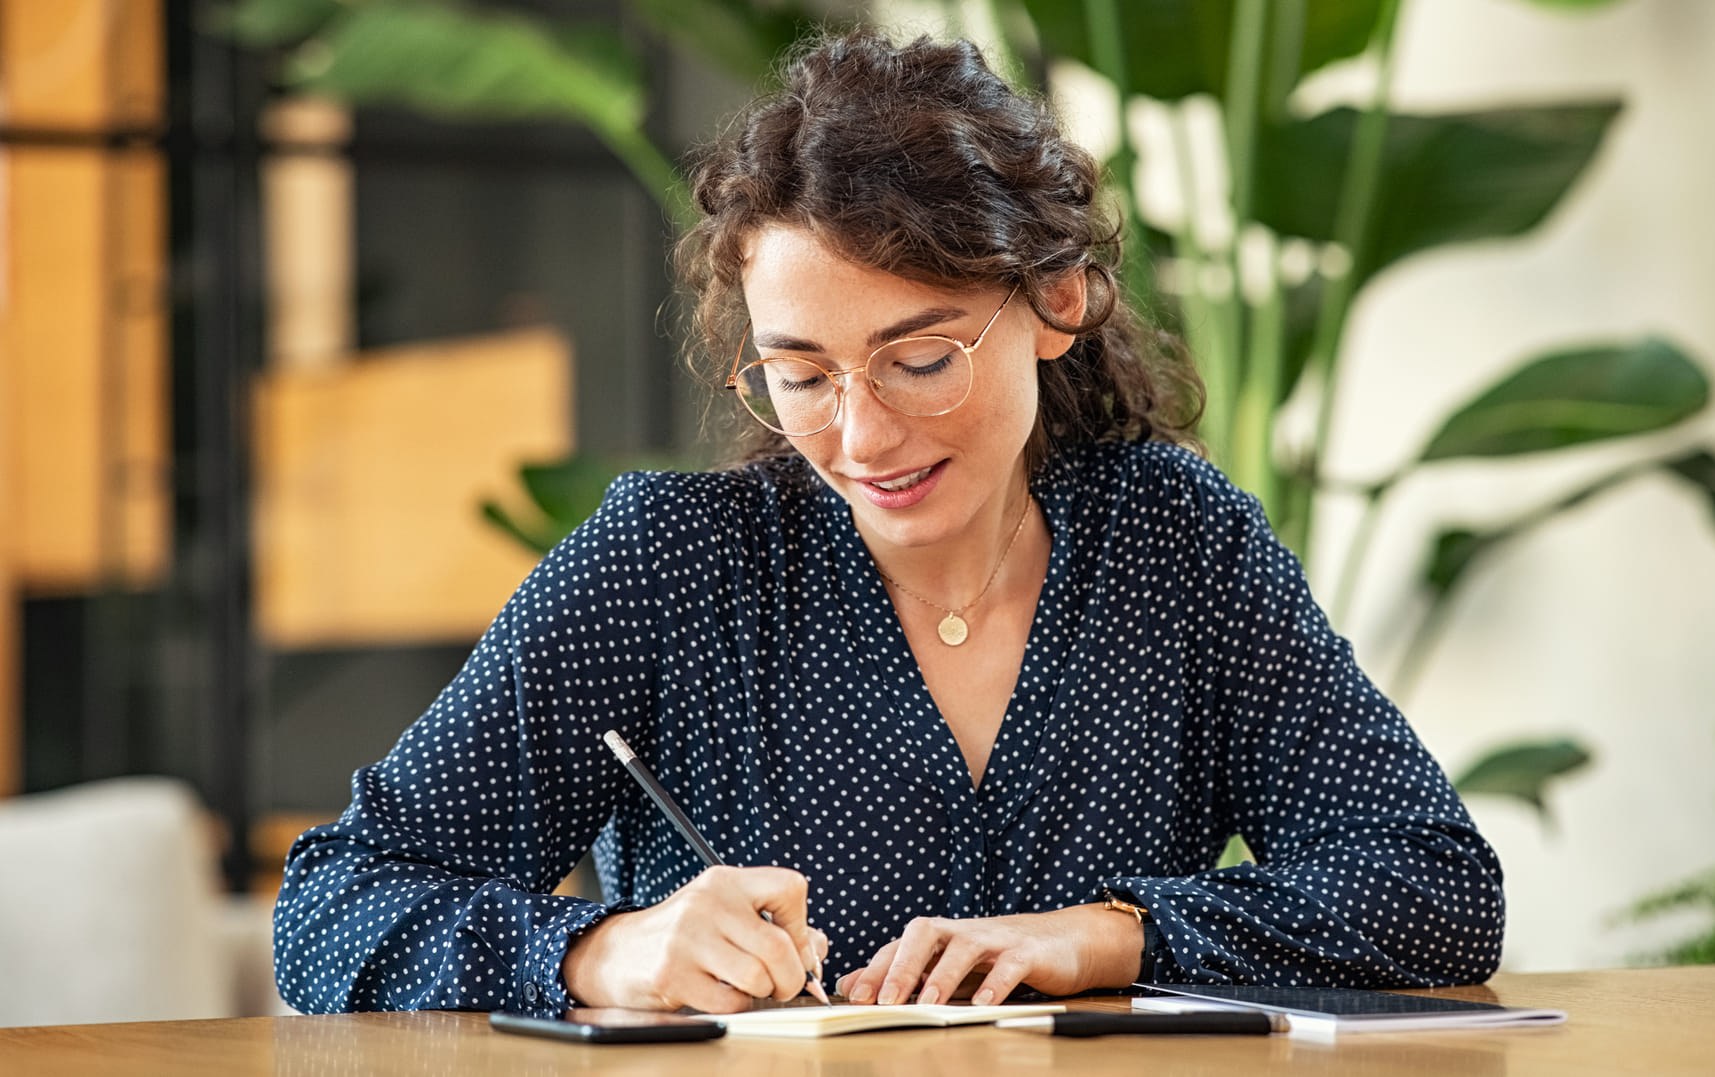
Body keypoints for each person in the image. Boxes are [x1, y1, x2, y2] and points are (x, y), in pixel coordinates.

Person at [274, 29, 1504, 1017]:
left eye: (919, 360)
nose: (862, 439)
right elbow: (332, 908)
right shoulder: (668, 564)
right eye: (803, 375)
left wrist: (1113, 936)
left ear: (1057, 298)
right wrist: (605, 952)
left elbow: (1433, 884)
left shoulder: (1173, 544)